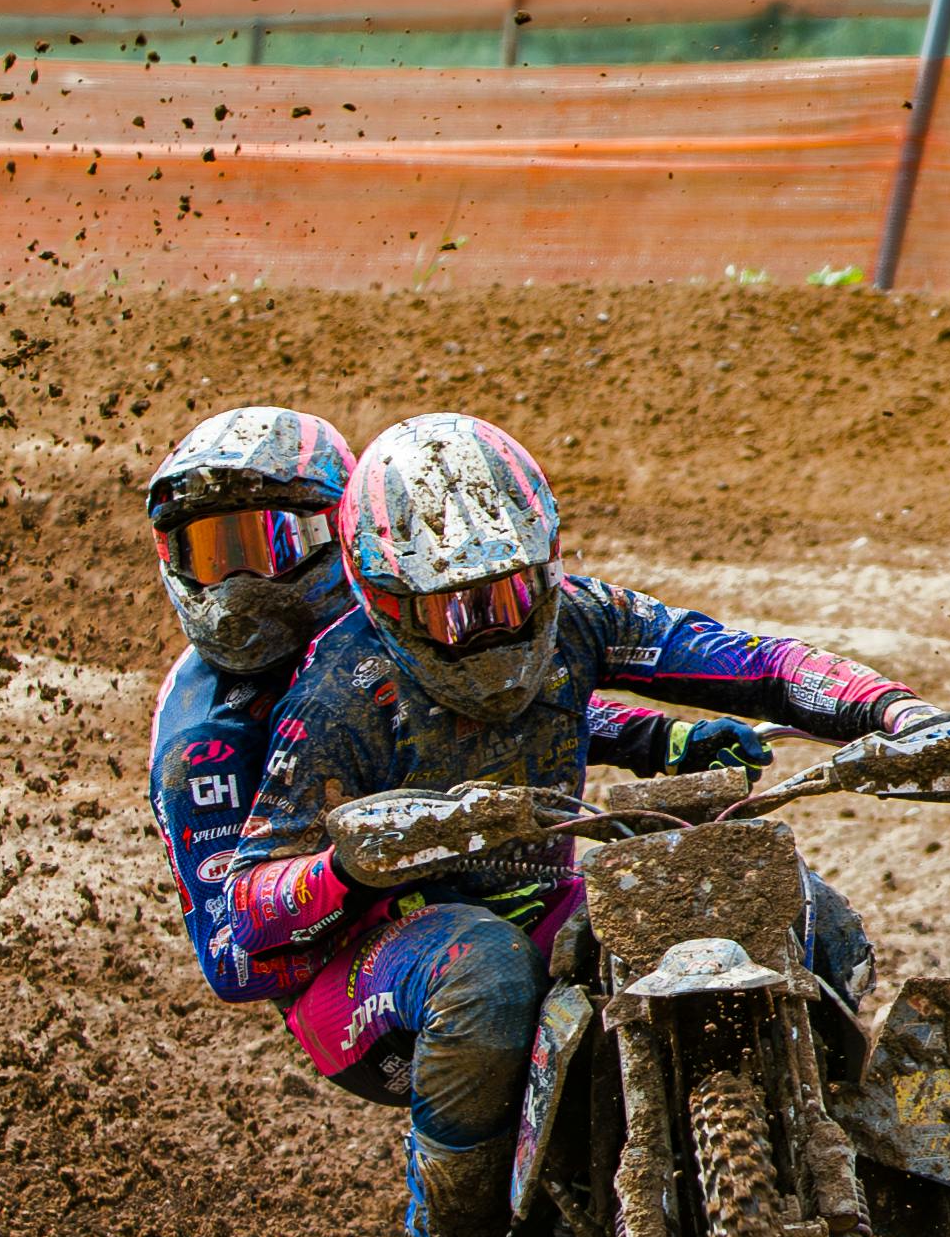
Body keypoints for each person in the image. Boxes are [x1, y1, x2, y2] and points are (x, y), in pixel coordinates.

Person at [227, 413, 950, 1237]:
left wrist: (895, 712)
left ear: (547, 566)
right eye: (450, 612)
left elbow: (751, 661)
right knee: (487, 974)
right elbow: (251, 900)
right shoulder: (341, 690)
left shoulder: (581, 619)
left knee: (780, 897)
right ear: (383, 602)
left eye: (510, 595)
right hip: (384, 962)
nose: (489, 629)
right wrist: (350, 862)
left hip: (543, 904)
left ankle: (831, 1160)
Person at [141, 404, 766, 1051]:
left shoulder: (380, 633)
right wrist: (363, 878)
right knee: (492, 978)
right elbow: (235, 963)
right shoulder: (207, 742)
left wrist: (655, 738)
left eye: (272, 544)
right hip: (362, 963)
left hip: (458, 904)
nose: (244, 580)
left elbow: (483, 722)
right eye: (215, 554)